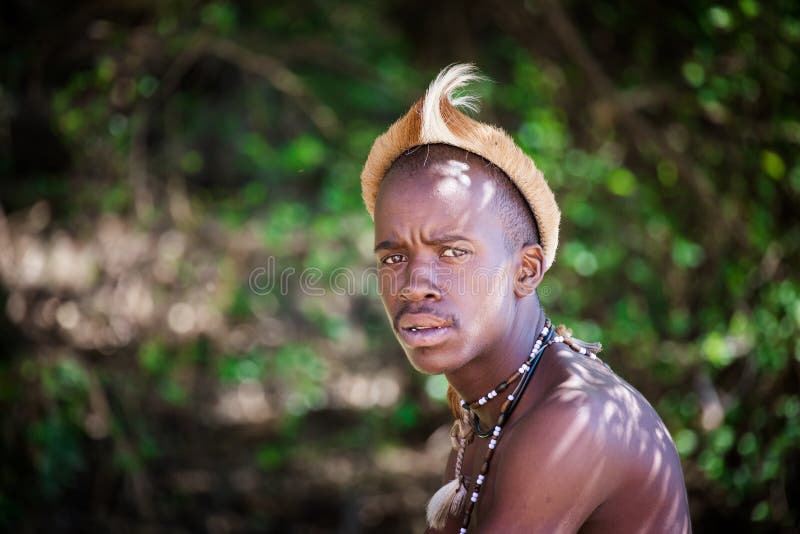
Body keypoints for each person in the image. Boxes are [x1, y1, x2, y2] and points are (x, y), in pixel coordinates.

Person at [360, 64, 691, 533]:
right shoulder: (484, 411)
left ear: (526, 270)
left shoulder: (573, 418)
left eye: (453, 252)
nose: (414, 284)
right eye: (393, 258)